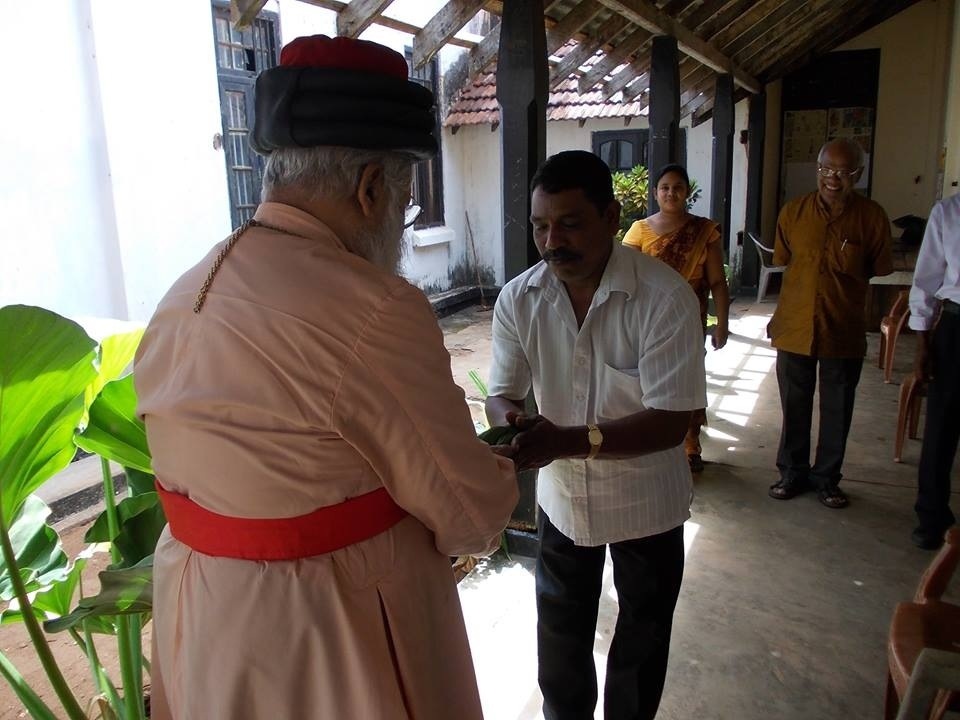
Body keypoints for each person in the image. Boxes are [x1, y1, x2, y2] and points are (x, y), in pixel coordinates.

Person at [134, 35, 518, 720]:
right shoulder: (372, 308)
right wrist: (508, 468)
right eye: (402, 203)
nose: (399, 224)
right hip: (325, 634)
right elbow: (469, 514)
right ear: (372, 187)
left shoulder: (184, 292)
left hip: (206, 623)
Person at [485, 150, 706, 720]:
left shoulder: (664, 298)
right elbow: (501, 390)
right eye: (540, 226)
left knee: (641, 638)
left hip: (646, 503)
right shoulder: (520, 298)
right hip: (564, 501)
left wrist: (568, 440)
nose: (552, 239)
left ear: (611, 218)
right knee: (560, 633)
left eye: (570, 222)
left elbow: (670, 420)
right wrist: (512, 419)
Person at [767, 138, 893, 509]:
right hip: (795, 325)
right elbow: (783, 260)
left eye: (842, 172)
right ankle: (792, 471)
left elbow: (879, 267)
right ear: (817, 168)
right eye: (825, 170)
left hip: (843, 326)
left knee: (838, 405)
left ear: (858, 174)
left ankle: (827, 478)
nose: (832, 179)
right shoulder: (793, 212)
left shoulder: (871, 217)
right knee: (794, 403)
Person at [622, 163, 730, 473]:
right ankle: (649, 437)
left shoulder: (704, 231)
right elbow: (625, 275)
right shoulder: (639, 230)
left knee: (689, 379)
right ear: (655, 193)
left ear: (687, 193)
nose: (671, 192)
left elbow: (717, 282)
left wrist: (722, 322)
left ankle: (690, 443)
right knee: (646, 378)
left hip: (689, 319)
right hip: (647, 319)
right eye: (665, 187)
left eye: (678, 187)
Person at [907, 192, 960, 549]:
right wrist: (923, 341)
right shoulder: (949, 212)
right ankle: (931, 518)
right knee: (942, 425)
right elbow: (926, 279)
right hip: (956, 326)